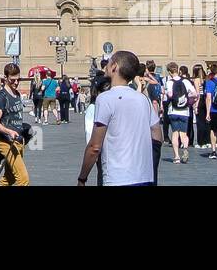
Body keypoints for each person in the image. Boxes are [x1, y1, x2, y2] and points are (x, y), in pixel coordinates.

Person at [78, 51, 160, 186]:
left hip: (117, 177)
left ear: (114, 67)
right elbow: (157, 135)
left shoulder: (105, 99)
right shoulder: (143, 99)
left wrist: (82, 178)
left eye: (109, 63)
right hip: (144, 177)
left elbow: (95, 147)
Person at [0, 63, 29, 186]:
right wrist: (9, 131)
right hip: (6, 141)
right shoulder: (1, 97)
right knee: (23, 179)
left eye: (18, 79)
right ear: (5, 78)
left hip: (18, 141)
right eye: (12, 80)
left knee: (9, 179)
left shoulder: (16, 94)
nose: (16, 82)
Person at [163, 62, 194, 165]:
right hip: (185, 111)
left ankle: (176, 156)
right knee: (184, 134)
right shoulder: (186, 81)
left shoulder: (169, 82)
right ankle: (185, 148)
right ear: (177, 70)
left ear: (169, 72)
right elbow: (195, 94)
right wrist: (189, 101)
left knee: (175, 133)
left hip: (173, 111)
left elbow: (169, 96)